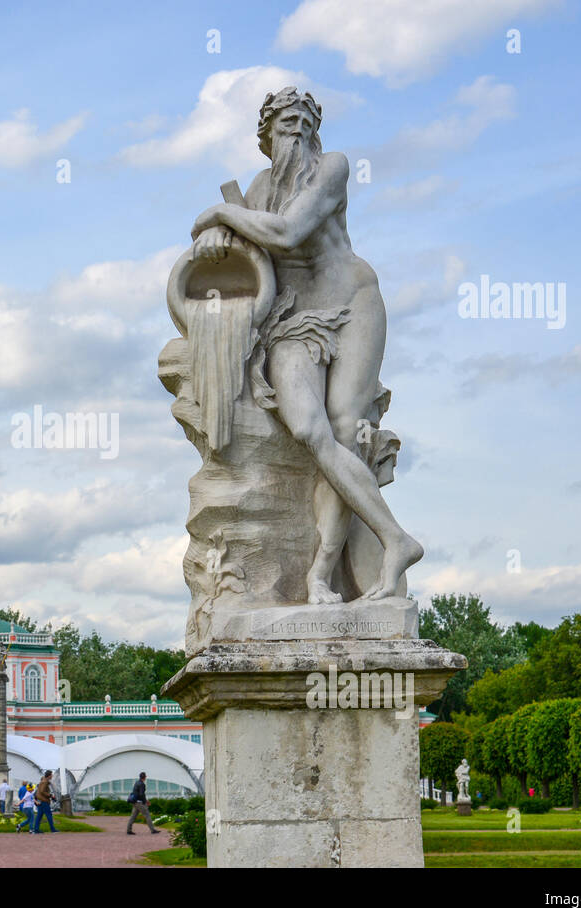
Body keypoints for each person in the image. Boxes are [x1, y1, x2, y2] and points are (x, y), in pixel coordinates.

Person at [189, 87, 422, 602]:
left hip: (353, 303)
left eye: (305, 121)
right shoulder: (256, 189)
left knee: (345, 428)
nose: (296, 129)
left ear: (316, 131)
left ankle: (321, 573)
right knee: (310, 429)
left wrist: (218, 215)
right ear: (266, 136)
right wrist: (216, 237)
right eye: (284, 122)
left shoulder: (332, 168)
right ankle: (397, 538)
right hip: (294, 320)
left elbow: (288, 232)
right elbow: (247, 251)